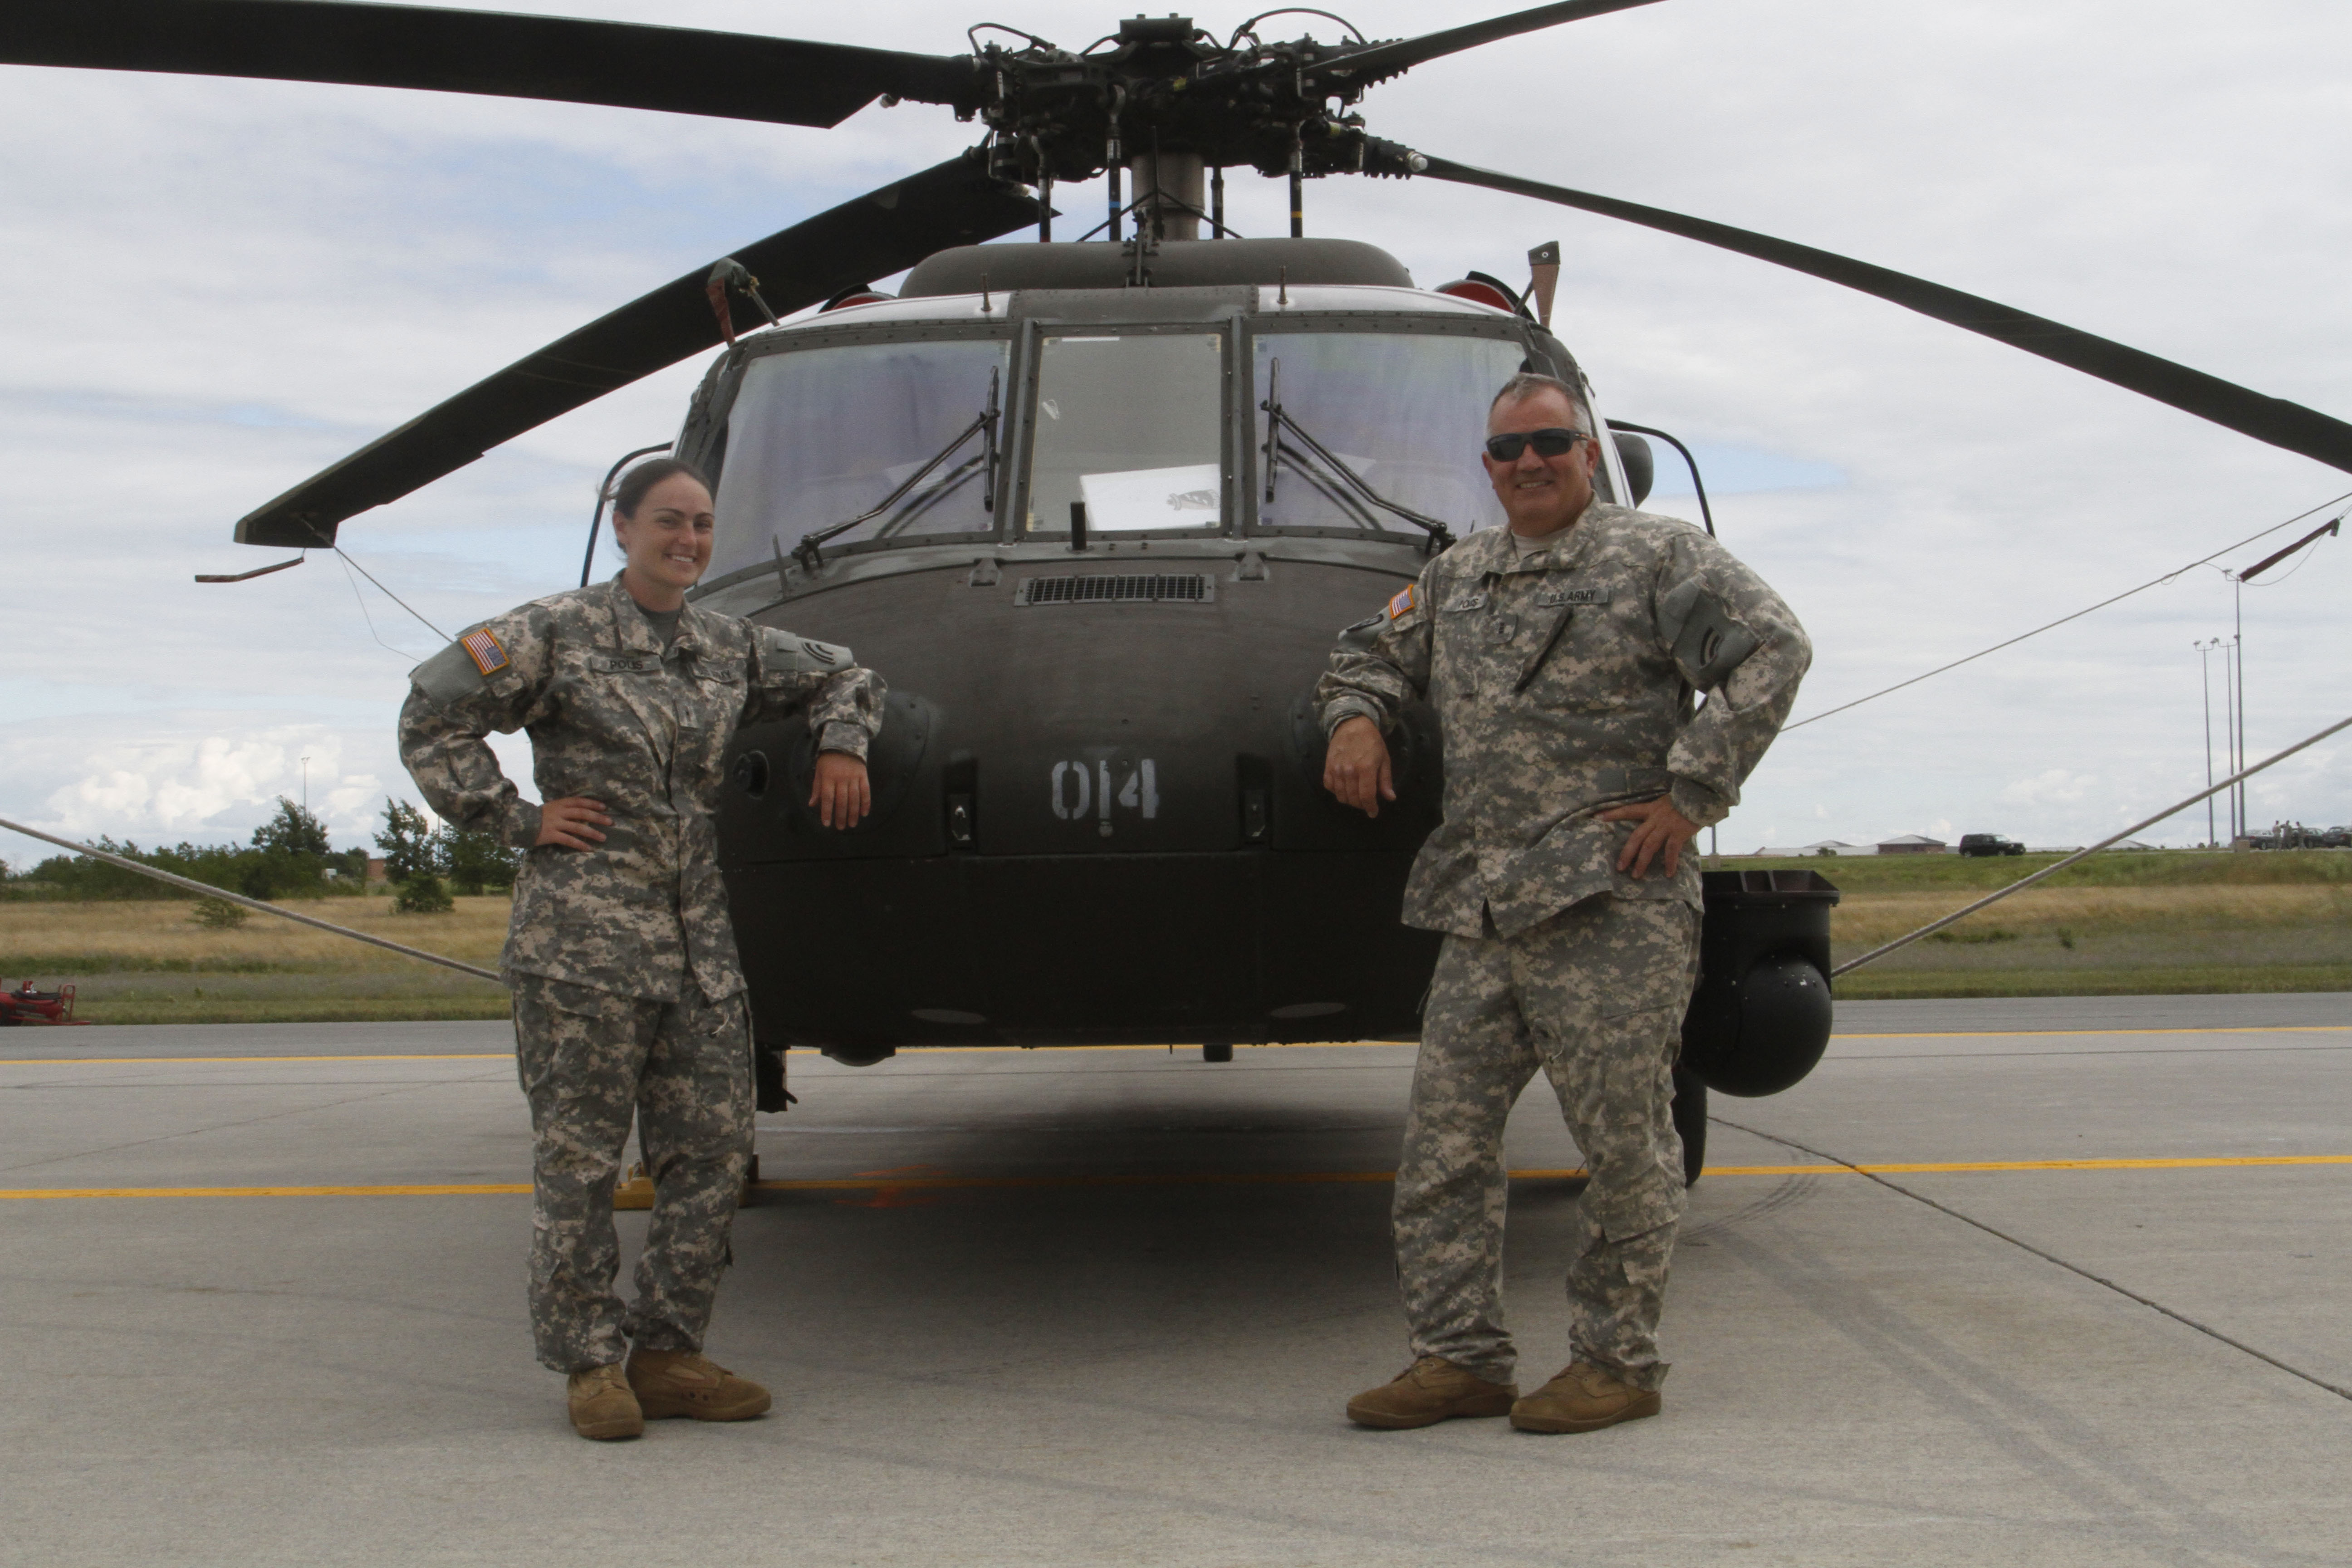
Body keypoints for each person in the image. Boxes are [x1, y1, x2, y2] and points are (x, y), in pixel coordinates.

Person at [1318, 373, 1809, 1434]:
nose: (1529, 463)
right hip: (1484, 905)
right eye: (1508, 451)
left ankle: (1617, 1363)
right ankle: (1459, 1359)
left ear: (1590, 455)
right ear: (1487, 469)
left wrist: (1693, 793)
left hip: (1610, 898)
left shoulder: (1654, 557)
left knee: (1624, 1147)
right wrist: (1357, 719)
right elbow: (1365, 649)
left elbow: (1774, 648)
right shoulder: (1459, 575)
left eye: (1551, 443)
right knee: (1442, 1151)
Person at [399, 457, 885, 1441]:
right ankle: (589, 1365)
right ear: (621, 528)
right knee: (577, 1166)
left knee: (710, 1154)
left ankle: (669, 1354)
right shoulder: (551, 633)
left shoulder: (727, 645)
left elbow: (848, 670)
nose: (689, 541)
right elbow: (430, 718)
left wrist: (842, 740)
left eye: (704, 526)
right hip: (580, 946)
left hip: (698, 946)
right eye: (669, 522)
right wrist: (515, 817)